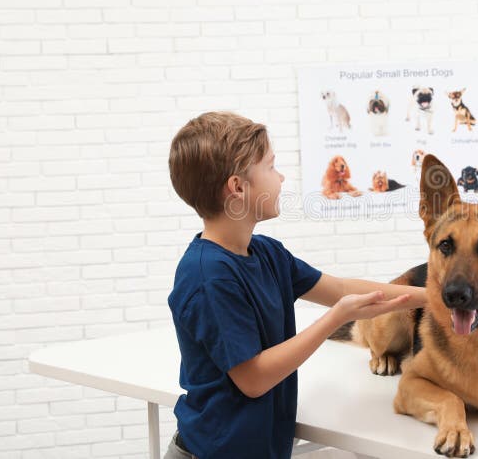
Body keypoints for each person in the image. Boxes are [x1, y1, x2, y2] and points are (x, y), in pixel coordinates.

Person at [165, 111, 426, 459]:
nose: (282, 177)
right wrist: (335, 318)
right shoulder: (207, 277)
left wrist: (435, 297)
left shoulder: (267, 253)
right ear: (238, 187)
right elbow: (254, 379)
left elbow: (342, 289)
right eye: (271, 167)